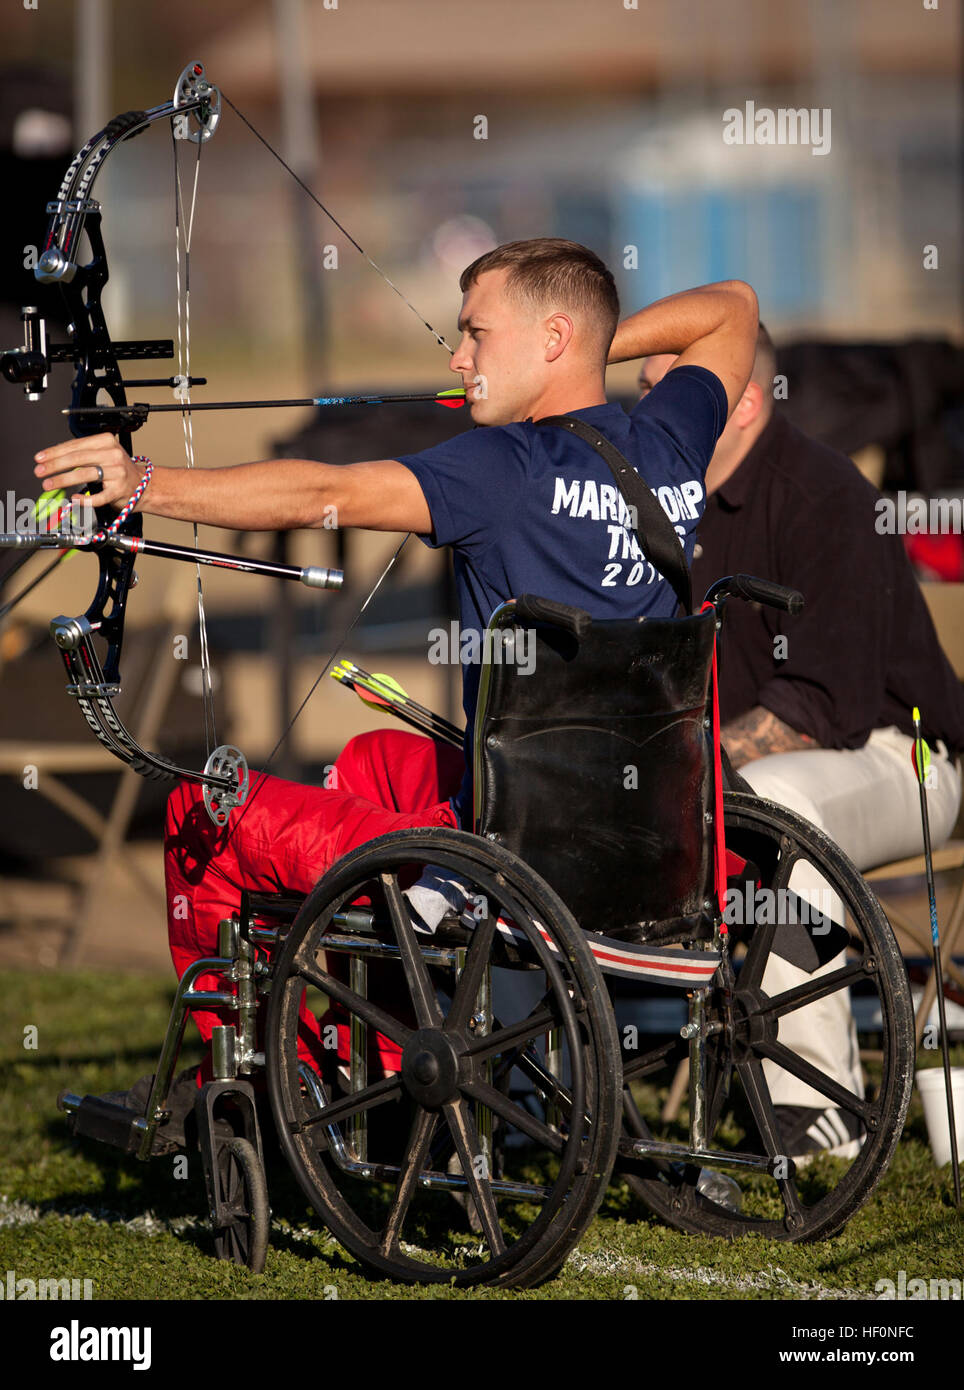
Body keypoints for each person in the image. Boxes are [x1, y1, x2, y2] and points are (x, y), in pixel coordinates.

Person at [36, 239, 757, 1143]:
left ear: (552, 335)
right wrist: (579, 354)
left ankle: (270, 1096)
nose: (457, 359)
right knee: (373, 761)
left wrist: (143, 483)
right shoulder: (669, 440)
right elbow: (732, 303)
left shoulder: (503, 469)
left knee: (200, 811)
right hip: (652, 840)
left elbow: (322, 492)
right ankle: (371, 1040)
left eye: (476, 334)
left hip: (516, 854)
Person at [639, 329, 964, 1160]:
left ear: (743, 401)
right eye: (643, 391)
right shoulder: (659, 504)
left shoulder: (822, 493)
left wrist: (678, 776)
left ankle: (818, 1116)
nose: (648, 411)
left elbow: (824, 707)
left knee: (783, 804)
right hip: (744, 775)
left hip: (909, 756)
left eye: (668, 393)